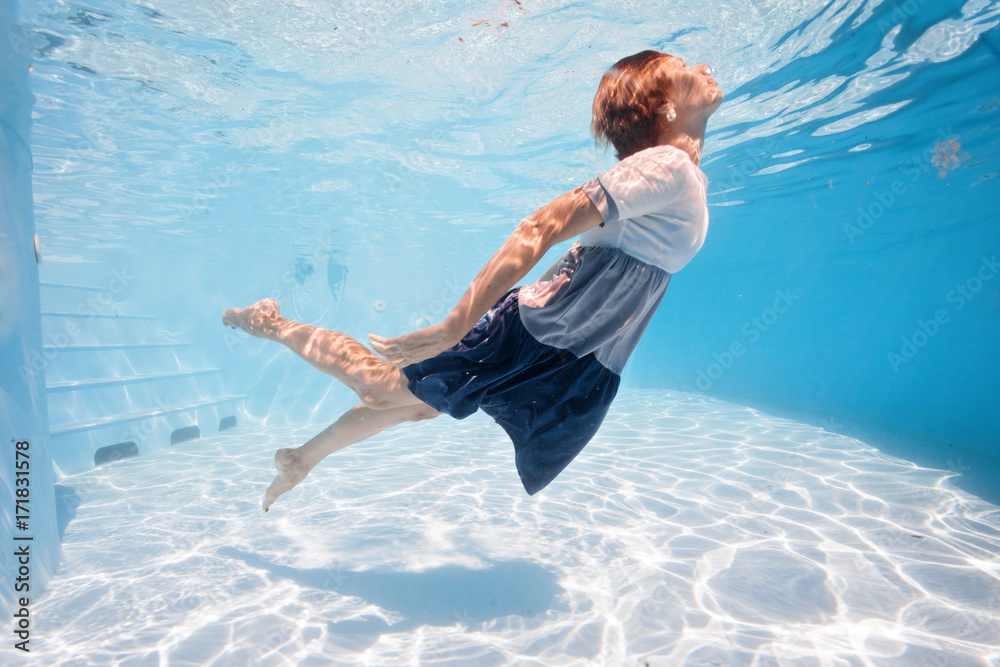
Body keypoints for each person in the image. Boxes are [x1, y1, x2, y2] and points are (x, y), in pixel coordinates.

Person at [222, 50, 724, 511]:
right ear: (665, 109)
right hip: (534, 336)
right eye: (683, 66)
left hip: (572, 353)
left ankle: (301, 458)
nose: (703, 67)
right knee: (380, 386)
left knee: (418, 406)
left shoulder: (683, 177)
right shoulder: (668, 165)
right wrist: (452, 327)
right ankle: (271, 324)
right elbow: (540, 226)